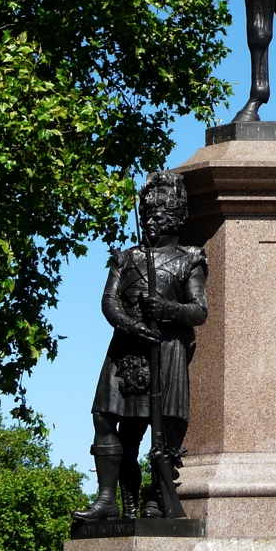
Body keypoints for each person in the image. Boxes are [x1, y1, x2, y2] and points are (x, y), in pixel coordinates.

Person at [73, 171, 208, 521]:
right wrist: (128, 324)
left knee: (164, 430)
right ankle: (108, 499)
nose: (150, 222)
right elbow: (109, 300)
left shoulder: (190, 260)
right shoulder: (126, 257)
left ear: (174, 219)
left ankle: (157, 498)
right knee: (105, 418)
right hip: (126, 347)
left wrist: (166, 309)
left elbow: (199, 310)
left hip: (166, 348)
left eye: (158, 217)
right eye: (147, 216)